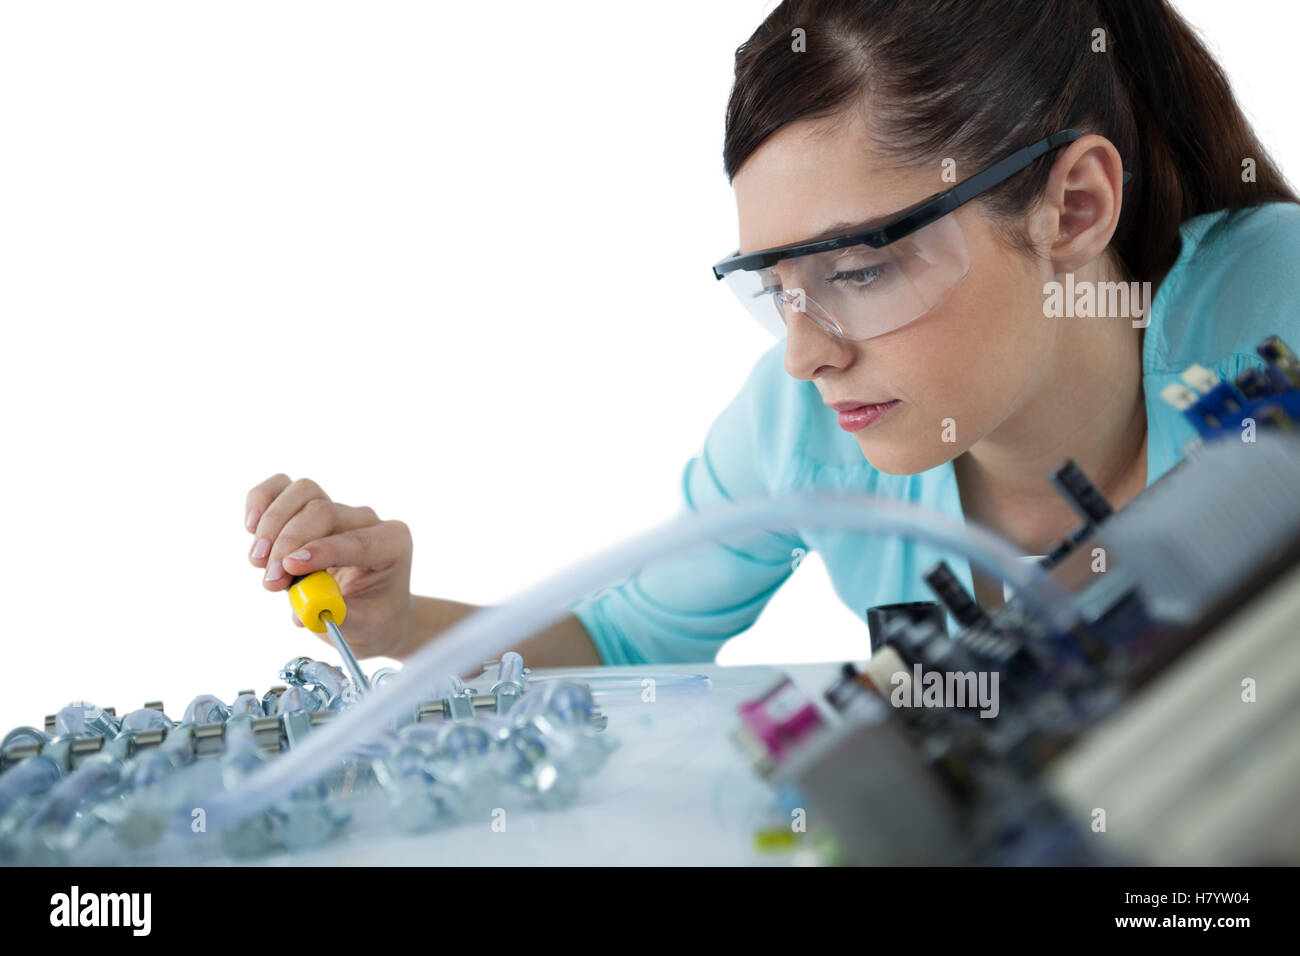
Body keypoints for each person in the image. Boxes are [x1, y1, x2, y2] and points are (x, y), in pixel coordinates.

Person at [241, 0, 1300, 669]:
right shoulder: (800, 426)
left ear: (1070, 209)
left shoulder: (1278, 302)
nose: (806, 352)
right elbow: (625, 640)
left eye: (859, 269)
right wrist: (394, 624)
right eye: (776, 286)